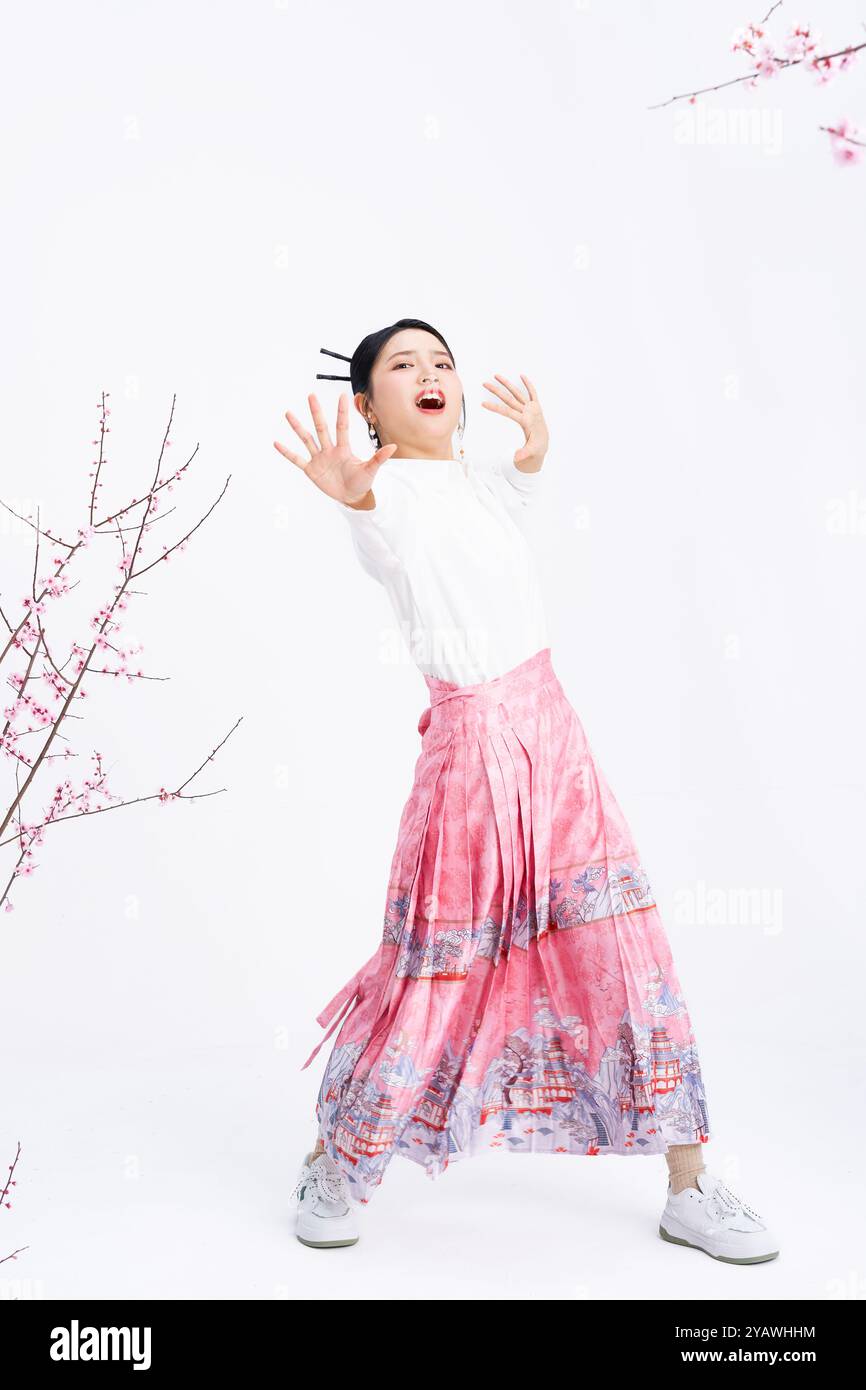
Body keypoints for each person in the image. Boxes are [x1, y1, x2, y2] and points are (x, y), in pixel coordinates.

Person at [273, 318, 780, 1264]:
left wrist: (536, 454)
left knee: (628, 950)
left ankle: (689, 1186)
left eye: (441, 362)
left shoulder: (476, 485)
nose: (429, 375)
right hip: (471, 754)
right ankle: (334, 1160)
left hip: (557, 741)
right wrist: (354, 501)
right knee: (434, 966)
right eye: (402, 366)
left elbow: (513, 497)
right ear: (366, 404)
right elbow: (386, 536)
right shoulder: (388, 500)